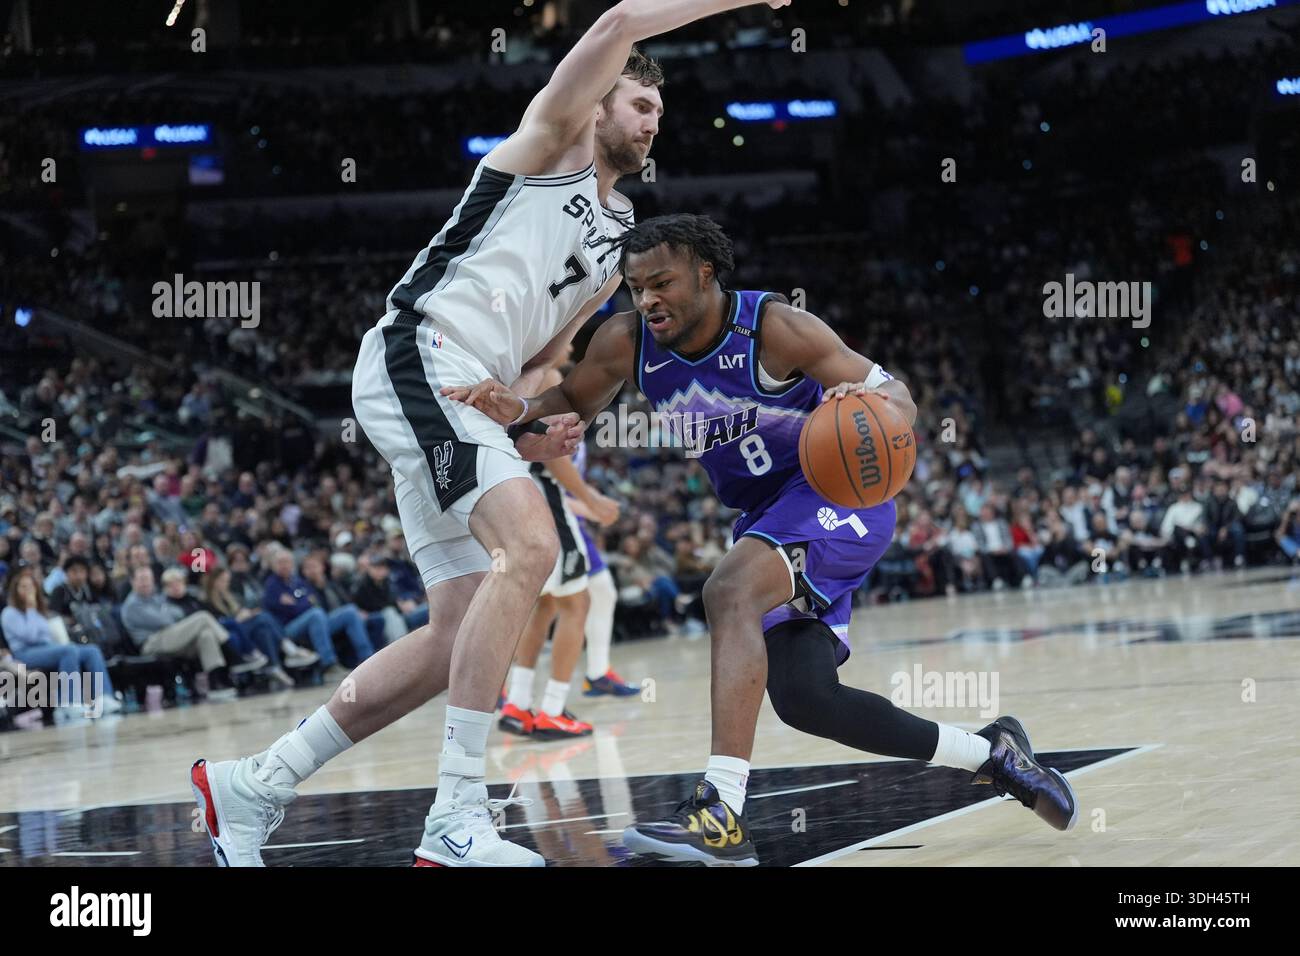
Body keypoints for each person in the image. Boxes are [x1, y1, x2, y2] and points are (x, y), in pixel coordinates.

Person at [189, 0, 792, 869]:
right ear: (596, 104)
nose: (653, 122)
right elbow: (621, 16)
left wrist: (531, 415)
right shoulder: (542, 147)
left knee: (455, 633)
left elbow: (548, 359)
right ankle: (457, 819)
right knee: (534, 547)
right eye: (640, 105)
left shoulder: (622, 238)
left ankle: (253, 785)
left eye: (660, 113)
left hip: (467, 393)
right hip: (419, 348)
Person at [446, 214, 1077, 865]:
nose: (647, 300)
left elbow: (895, 393)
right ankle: (994, 755)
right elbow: (575, 397)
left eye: (661, 282)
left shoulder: (774, 328)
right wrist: (517, 412)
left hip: (839, 500)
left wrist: (881, 414)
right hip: (765, 521)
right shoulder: (627, 341)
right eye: (636, 287)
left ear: (705, 273)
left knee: (729, 591)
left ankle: (718, 812)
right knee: (808, 700)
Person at [1, 568, 121, 718]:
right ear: (15, 590)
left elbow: (45, 635)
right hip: (24, 653)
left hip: (45, 648)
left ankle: (104, 696)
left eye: (30, 586)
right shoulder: (9, 613)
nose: (28, 590)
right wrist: (31, 610)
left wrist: (34, 611)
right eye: (23, 587)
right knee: (68, 651)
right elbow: (30, 636)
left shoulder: (39, 610)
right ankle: (69, 701)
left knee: (92, 650)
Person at [120, 566, 239, 702]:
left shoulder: (155, 598)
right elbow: (165, 620)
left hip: (170, 638)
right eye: (141, 579)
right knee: (203, 617)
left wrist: (167, 614)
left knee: (206, 635)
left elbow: (178, 614)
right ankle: (233, 654)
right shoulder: (132, 605)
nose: (146, 583)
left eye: (148, 579)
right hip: (152, 643)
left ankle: (215, 683)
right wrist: (167, 614)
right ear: (132, 582)